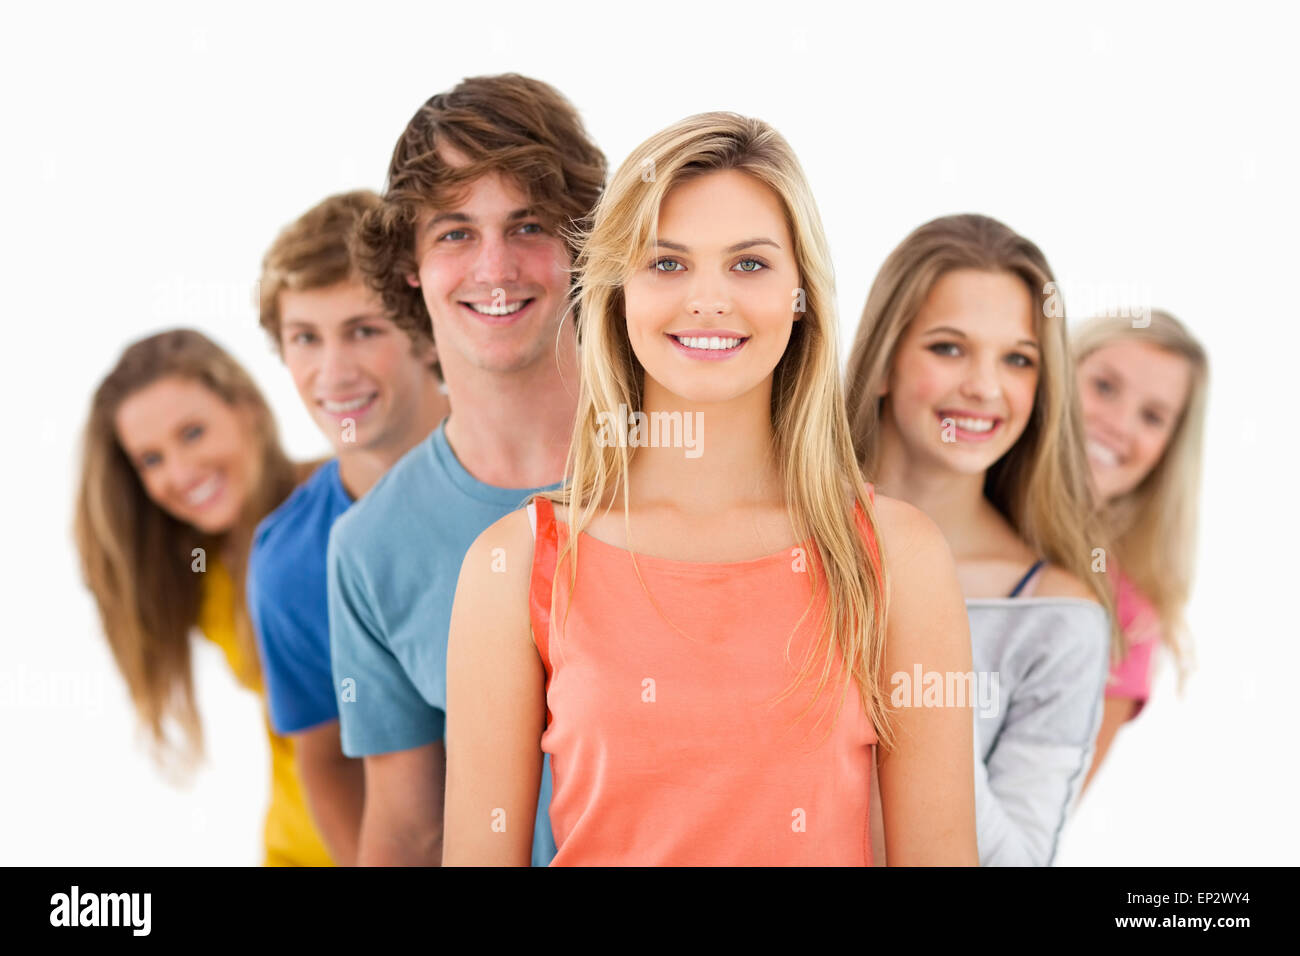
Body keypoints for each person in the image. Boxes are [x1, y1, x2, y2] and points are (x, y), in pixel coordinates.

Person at [443, 112, 978, 866]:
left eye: (749, 264)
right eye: (666, 263)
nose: (707, 299)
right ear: (617, 291)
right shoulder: (517, 563)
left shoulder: (897, 556)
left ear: (801, 295)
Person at [327, 74, 607, 865]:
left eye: (528, 226)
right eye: (454, 233)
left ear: (583, 243)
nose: (495, 268)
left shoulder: (702, 455)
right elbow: (409, 828)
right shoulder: (370, 548)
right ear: (410, 264)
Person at [845, 213, 1115, 866]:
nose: (985, 388)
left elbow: (1017, 861)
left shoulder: (1056, 617)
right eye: (948, 347)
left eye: (1017, 360)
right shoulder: (776, 533)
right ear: (884, 362)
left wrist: (923, 688)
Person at [74, 328, 332, 866]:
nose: (180, 474)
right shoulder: (205, 575)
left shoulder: (341, 506)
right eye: (150, 460)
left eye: (192, 433)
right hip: (293, 851)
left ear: (248, 409)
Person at [246, 190, 450, 865]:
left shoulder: (532, 473)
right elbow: (329, 759)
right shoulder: (288, 560)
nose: (332, 374)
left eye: (364, 329)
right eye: (305, 337)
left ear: (425, 335)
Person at [1073, 310, 1208, 790]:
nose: (1117, 425)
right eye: (1104, 387)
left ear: (1169, 450)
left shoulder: (1127, 616)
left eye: (1152, 417)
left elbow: (1043, 819)